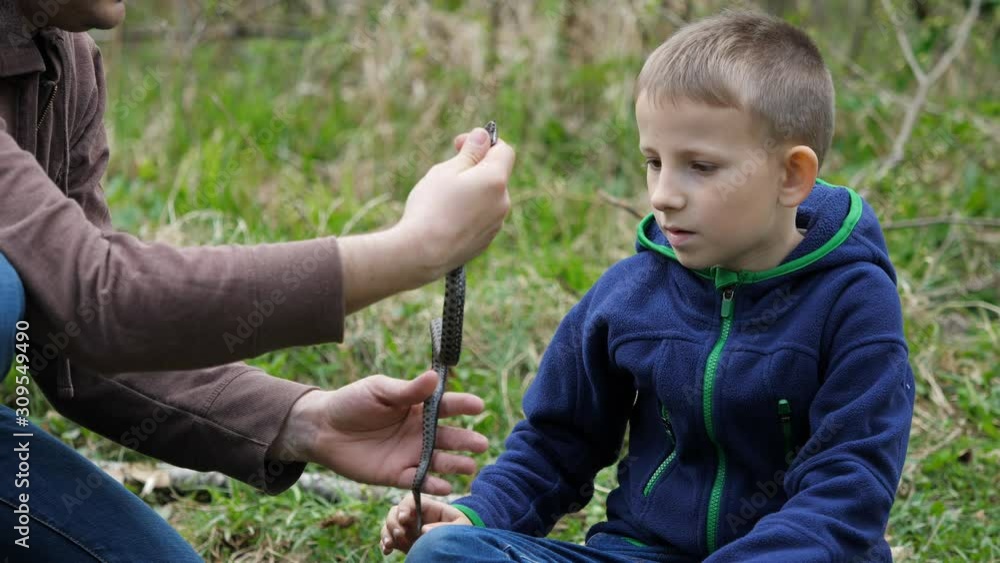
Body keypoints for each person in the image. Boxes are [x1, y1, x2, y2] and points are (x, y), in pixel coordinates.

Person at [382, 10, 915, 563]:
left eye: (700, 167)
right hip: (637, 554)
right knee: (447, 553)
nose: (663, 194)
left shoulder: (853, 301)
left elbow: (849, 482)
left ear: (791, 176)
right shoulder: (631, 294)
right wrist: (476, 513)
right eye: (653, 162)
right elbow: (555, 443)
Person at [0, 0, 515, 560]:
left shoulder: (63, 57)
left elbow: (72, 338)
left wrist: (303, 421)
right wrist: (414, 249)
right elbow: (103, 300)